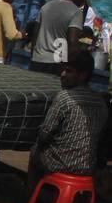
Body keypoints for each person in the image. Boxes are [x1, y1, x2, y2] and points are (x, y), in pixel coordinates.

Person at [28, 50, 107, 190]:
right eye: (63, 70)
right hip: (88, 166)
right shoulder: (100, 101)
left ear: (82, 75)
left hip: (61, 165)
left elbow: (44, 134)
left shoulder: (64, 98)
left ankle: (33, 200)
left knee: (35, 151)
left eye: (69, 71)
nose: (62, 75)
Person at [30, 0, 93, 75]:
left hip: (36, 61)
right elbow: (73, 43)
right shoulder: (76, 12)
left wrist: (33, 56)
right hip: (55, 64)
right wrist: (65, 66)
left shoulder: (47, 6)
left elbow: (35, 35)